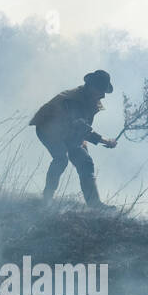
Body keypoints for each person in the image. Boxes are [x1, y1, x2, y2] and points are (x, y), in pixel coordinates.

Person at [30, 70, 118, 208]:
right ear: (90, 86)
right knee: (61, 159)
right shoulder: (73, 100)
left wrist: (84, 147)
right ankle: (47, 198)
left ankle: (94, 204)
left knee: (85, 162)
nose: (102, 95)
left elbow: (81, 129)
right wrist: (105, 140)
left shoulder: (90, 99)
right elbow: (81, 126)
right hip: (48, 129)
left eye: (103, 91)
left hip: (68, 132)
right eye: (100, 90)